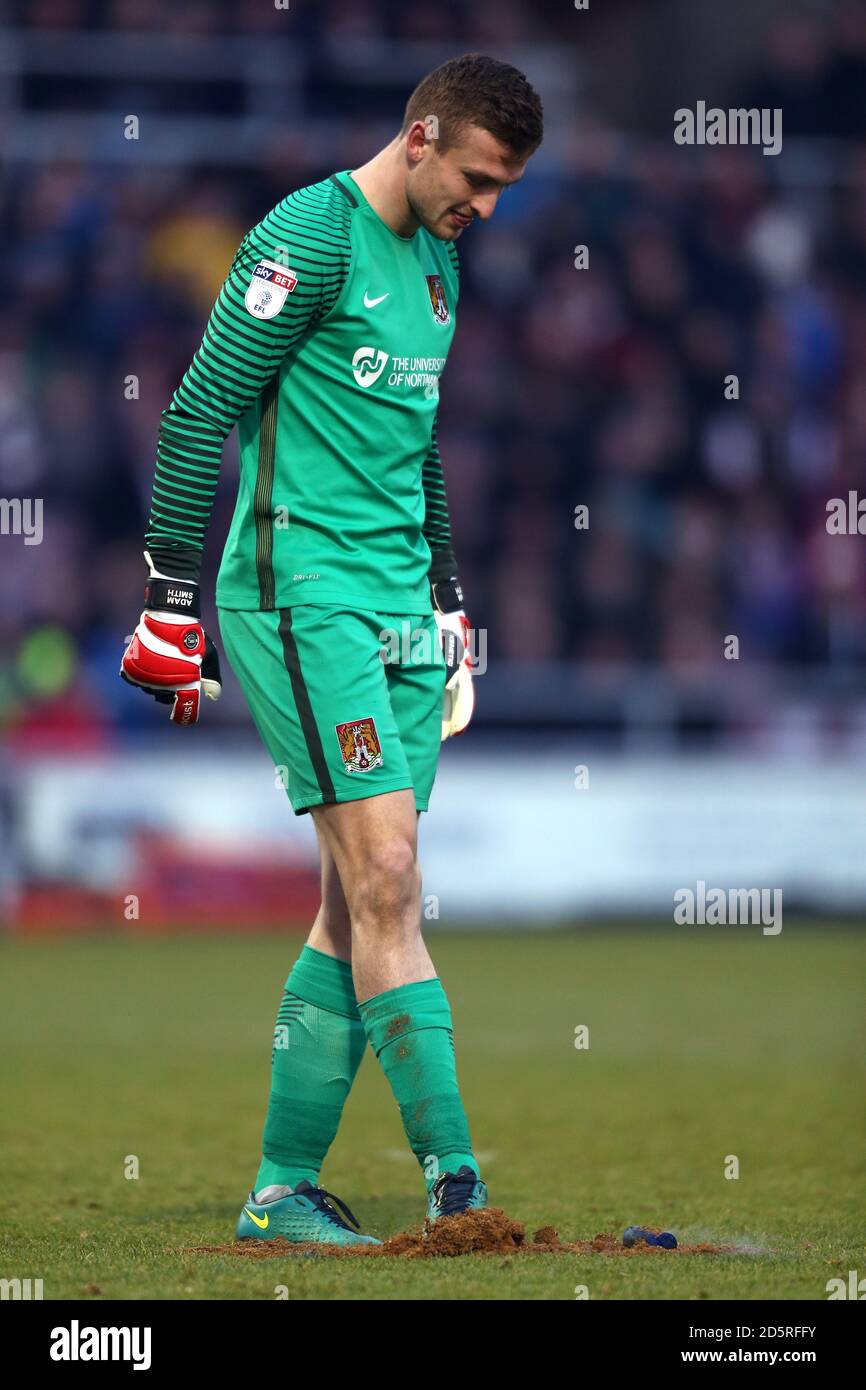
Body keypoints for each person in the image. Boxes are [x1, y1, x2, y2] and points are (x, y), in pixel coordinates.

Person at [121, 53, 544, 1245]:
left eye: (505, 186)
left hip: (402, 609)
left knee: (353, 900)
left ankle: (281, 1188)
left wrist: (451, 596)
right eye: (477, 176)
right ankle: (457, 1186)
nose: (487, 206)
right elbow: (201, 406)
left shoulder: (439, 264)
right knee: (392, 878)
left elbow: (412, 446)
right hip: (303, 598)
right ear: (420, 137)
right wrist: (166, 593)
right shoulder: (304, 239)